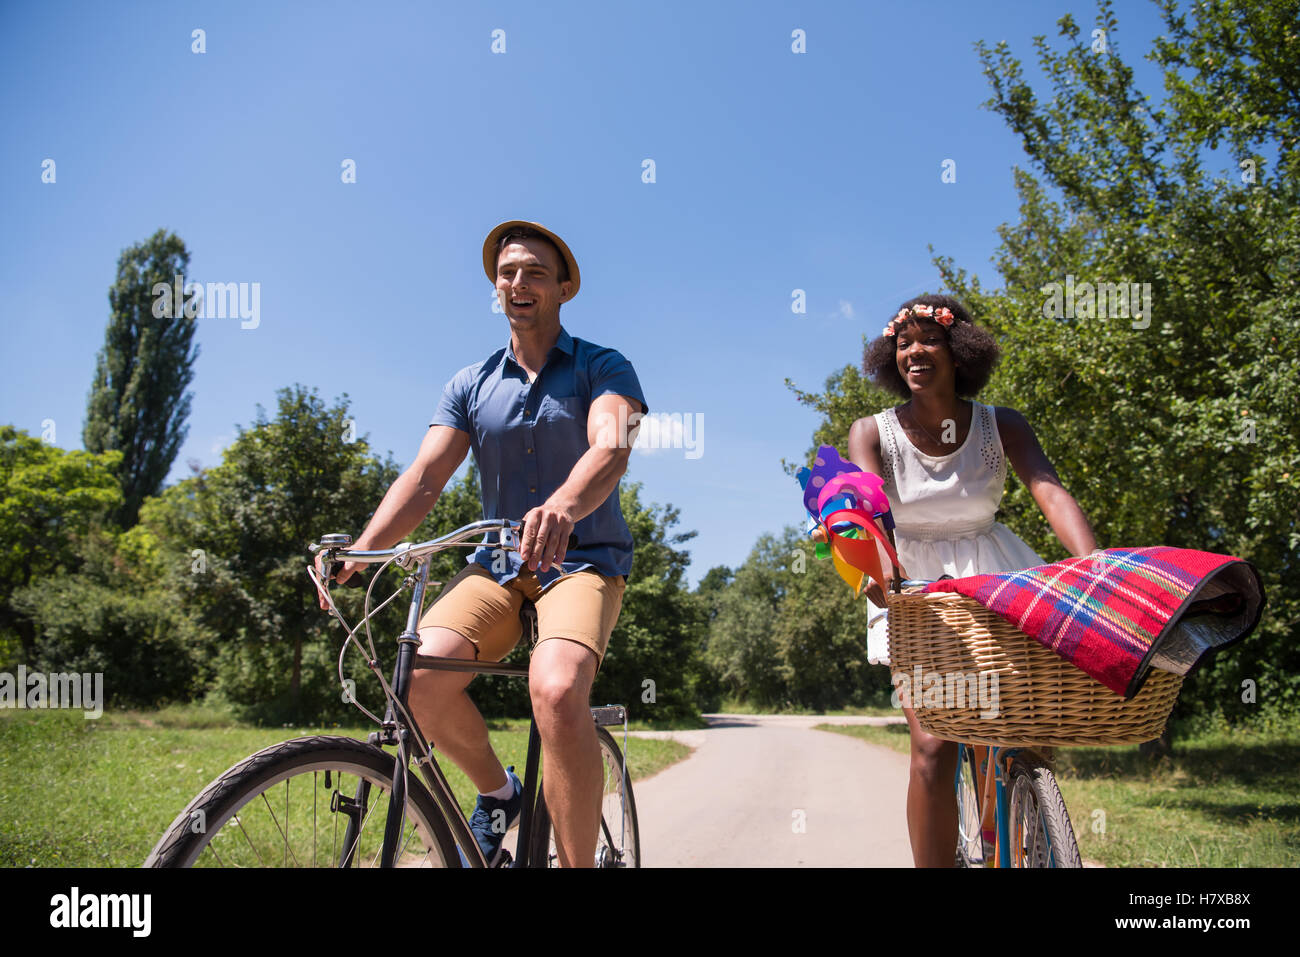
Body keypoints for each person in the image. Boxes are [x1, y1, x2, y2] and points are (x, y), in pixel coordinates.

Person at [316, 221, 647, 867]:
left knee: (554, 692)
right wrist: (361, 550)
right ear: (496, 285)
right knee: (415, 682)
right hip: (496, 563)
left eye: (535, 273)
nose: (518, 283)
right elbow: (424, 478)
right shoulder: (469, 383)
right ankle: (499, 793)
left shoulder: (602, 365)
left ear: (563, 289)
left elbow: (612, 445)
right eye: (507, 272)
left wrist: (562, 504)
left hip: (583, 560)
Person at [846, 294, 1095, 867]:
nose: (914, 351)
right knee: (933, 746)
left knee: (1018, 729)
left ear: (958, 351)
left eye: (928, 339)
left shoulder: (1000, 424)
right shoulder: (872, 432)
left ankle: (1003, 828)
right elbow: (866, 511)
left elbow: (1049, 490)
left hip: (998, 579)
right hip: (913, 591)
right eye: (903, 343)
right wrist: (878, 570)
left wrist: (1093, 562)